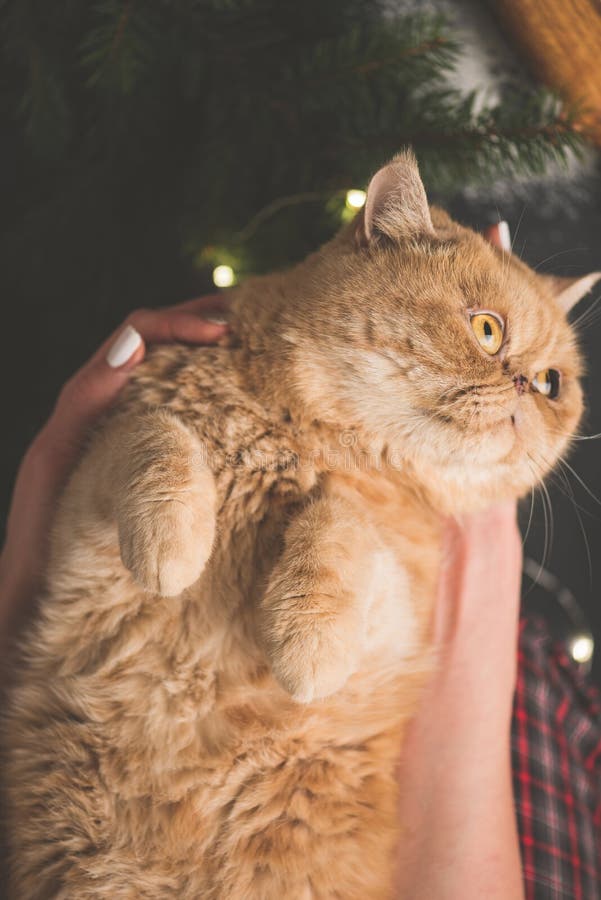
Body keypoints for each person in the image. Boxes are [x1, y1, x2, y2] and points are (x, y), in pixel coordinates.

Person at [1, 226, 599, 899]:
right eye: (488, 333)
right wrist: (143, 461)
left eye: (551, 382)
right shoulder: (215, 377)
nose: (523, 384)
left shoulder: (557, 691)